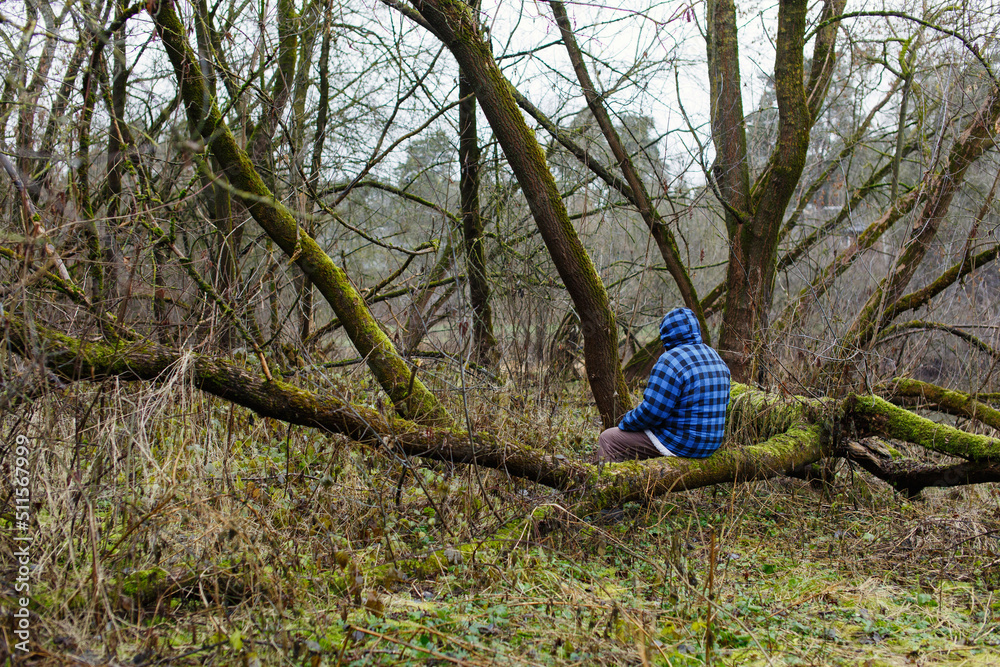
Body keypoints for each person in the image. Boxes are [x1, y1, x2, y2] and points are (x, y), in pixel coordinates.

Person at [596, 308, 731, 462]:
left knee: (608, 439)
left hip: (680, 444)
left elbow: (652, 413)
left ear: (667, 336)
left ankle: (604, 483)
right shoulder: (716, 357)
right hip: (711, 445)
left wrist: (626, 422)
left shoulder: (670, 360)